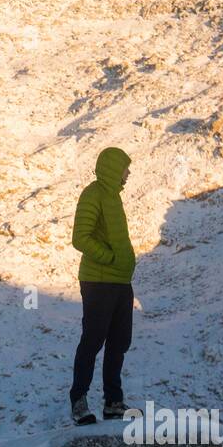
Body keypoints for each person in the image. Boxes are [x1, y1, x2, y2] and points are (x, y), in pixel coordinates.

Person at [69, 146, 136, 424]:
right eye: (125, 168)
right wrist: (109, 258)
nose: (128, 173)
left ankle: (113, 402)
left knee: (119, 342)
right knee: (93, 339)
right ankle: (79, 401)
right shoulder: (93, 194)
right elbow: (80, 237)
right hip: (98, 281)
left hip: (121, 281)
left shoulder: (113, 198)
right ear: (112, 168)